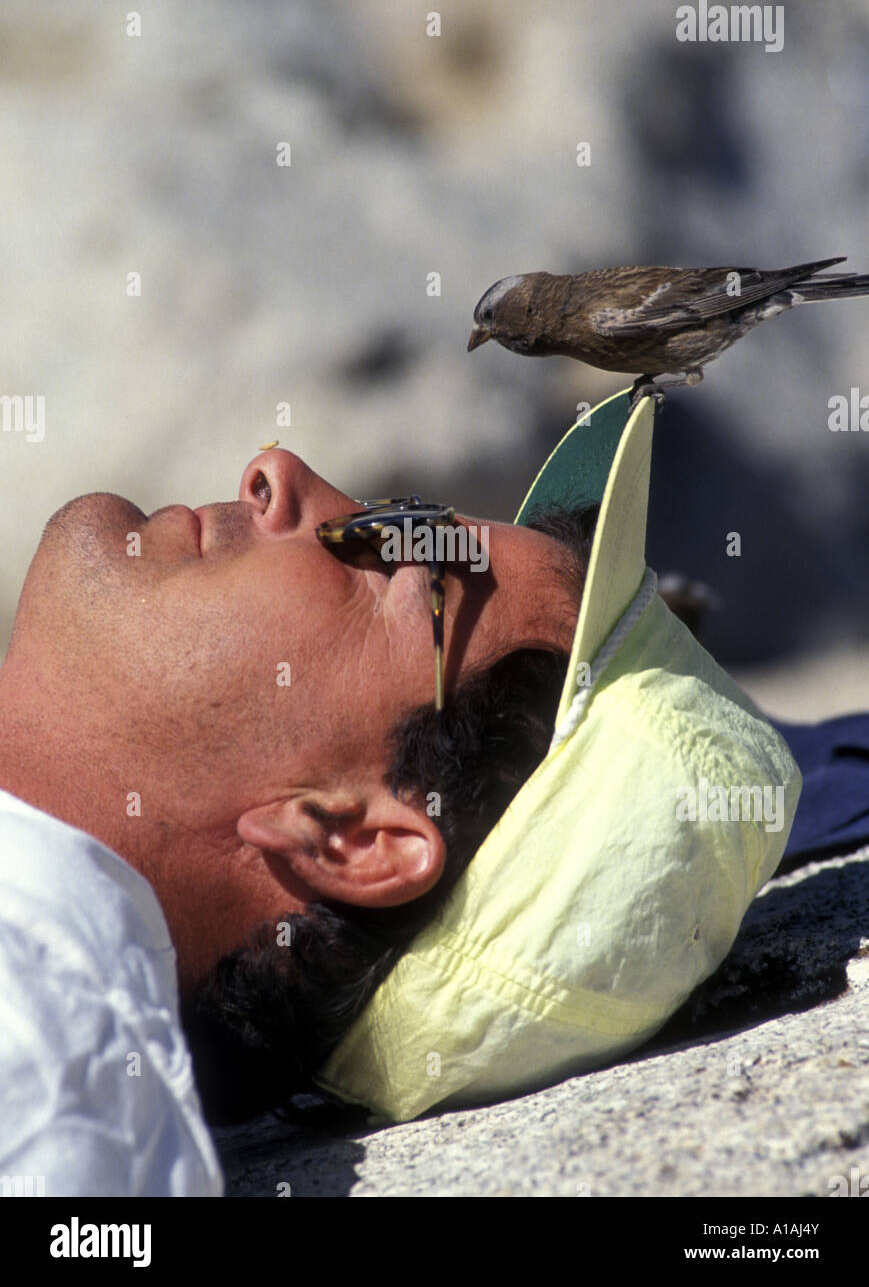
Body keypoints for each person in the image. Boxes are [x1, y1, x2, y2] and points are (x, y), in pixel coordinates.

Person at [0, 391, 804, 1188]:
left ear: (349, 840)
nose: (277, 469)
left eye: (403, 570)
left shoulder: (45, 1051)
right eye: (396, 514)